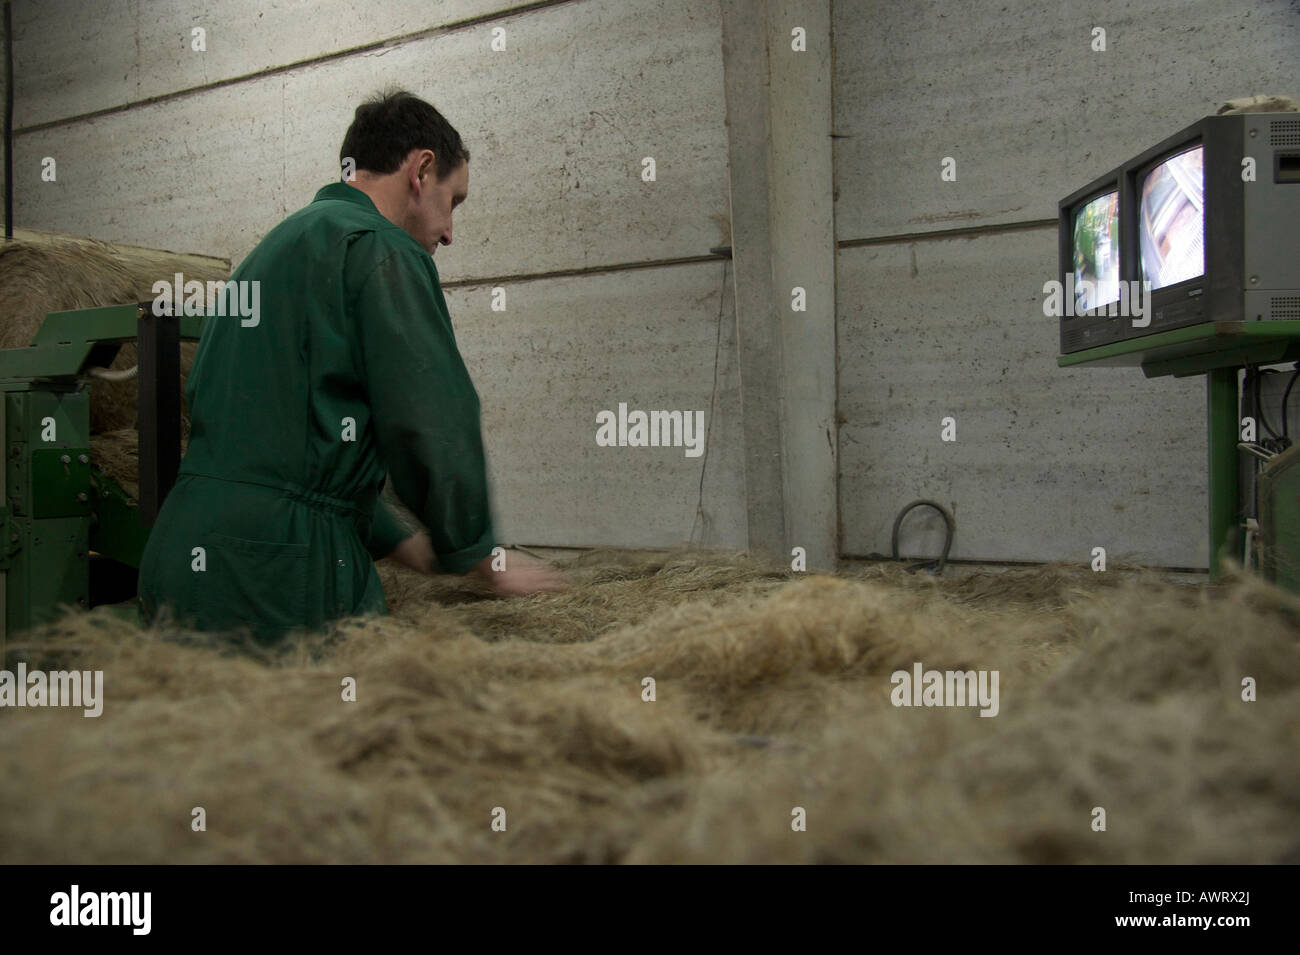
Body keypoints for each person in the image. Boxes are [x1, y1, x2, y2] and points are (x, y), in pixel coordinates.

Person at [138, 89, 566, 643]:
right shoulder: (381, 249)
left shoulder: (277, 248)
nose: (449, 232)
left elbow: (282, 442)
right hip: (280, 572)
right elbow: (430, 416)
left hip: (185, 554)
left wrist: (396, 538)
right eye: (453, 201)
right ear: (421, 169)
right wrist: (482, 555)